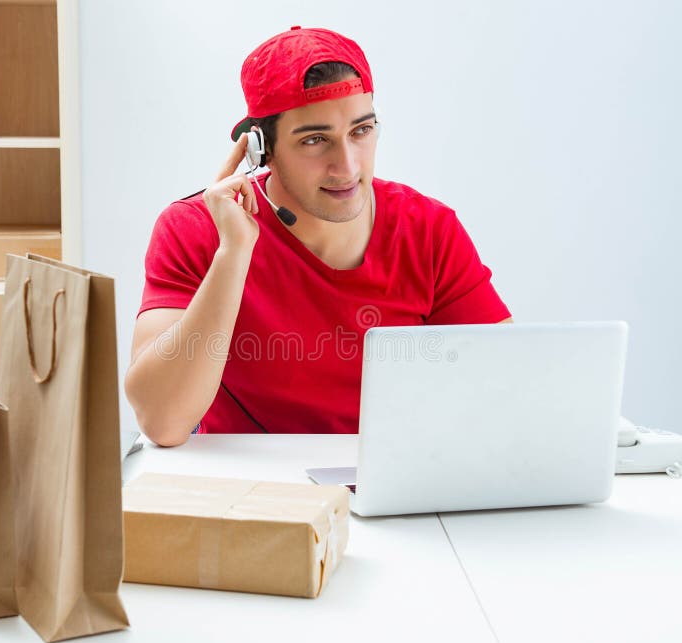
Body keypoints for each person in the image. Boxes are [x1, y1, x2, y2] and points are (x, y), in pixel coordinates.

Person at [125, 26, 512, 446]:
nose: (347, 166)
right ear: (260, 150)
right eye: (314, 140)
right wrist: (233, 253)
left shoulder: (428, 229)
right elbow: (162, 422)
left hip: (391, 474)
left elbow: (507, 390)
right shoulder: (196, 230)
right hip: (249, 482)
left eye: (361, 131)